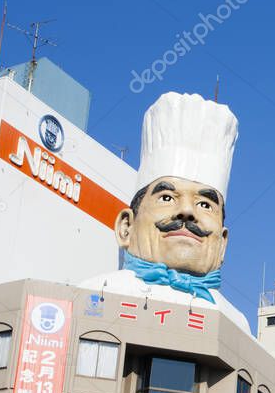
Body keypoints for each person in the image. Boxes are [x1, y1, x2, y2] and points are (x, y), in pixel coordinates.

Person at [81, 92, 250, 333]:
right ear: (126, 226)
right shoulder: (95, 294)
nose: (186, 211)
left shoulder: (234, 324)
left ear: (222, 244)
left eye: (204, 204)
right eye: (167, 198)